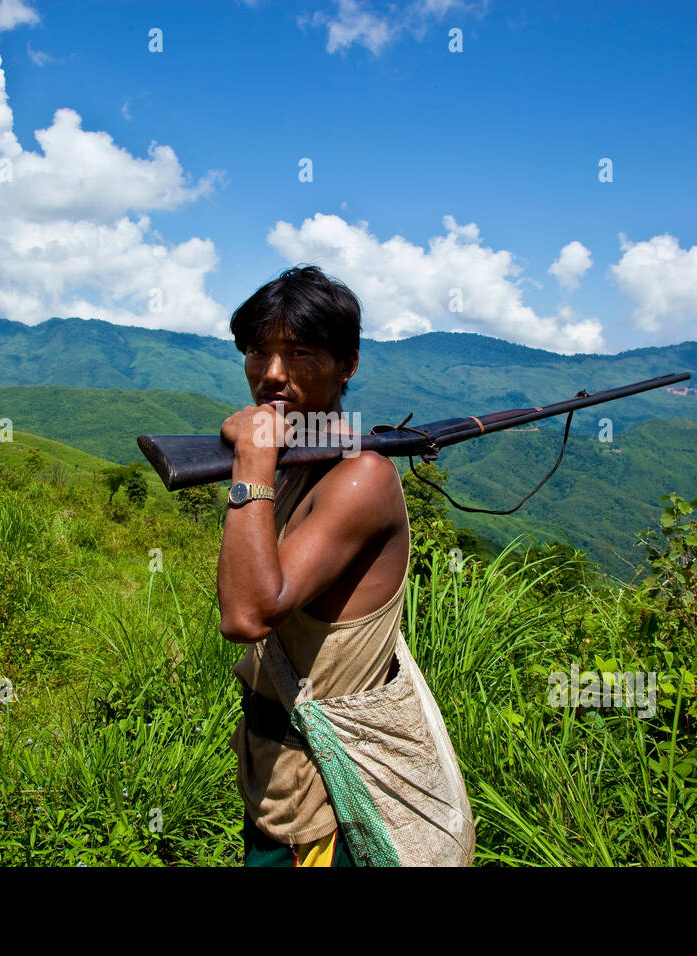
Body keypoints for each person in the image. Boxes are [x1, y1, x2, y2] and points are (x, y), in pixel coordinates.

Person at [219, 265, 411, 867]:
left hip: (333, 793)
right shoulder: (297, 462)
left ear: (347, 364)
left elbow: (248, 614)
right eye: (258, 352)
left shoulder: (362, 477)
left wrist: (250, 462)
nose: (271, 375)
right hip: (281, 773)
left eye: (299, 353)